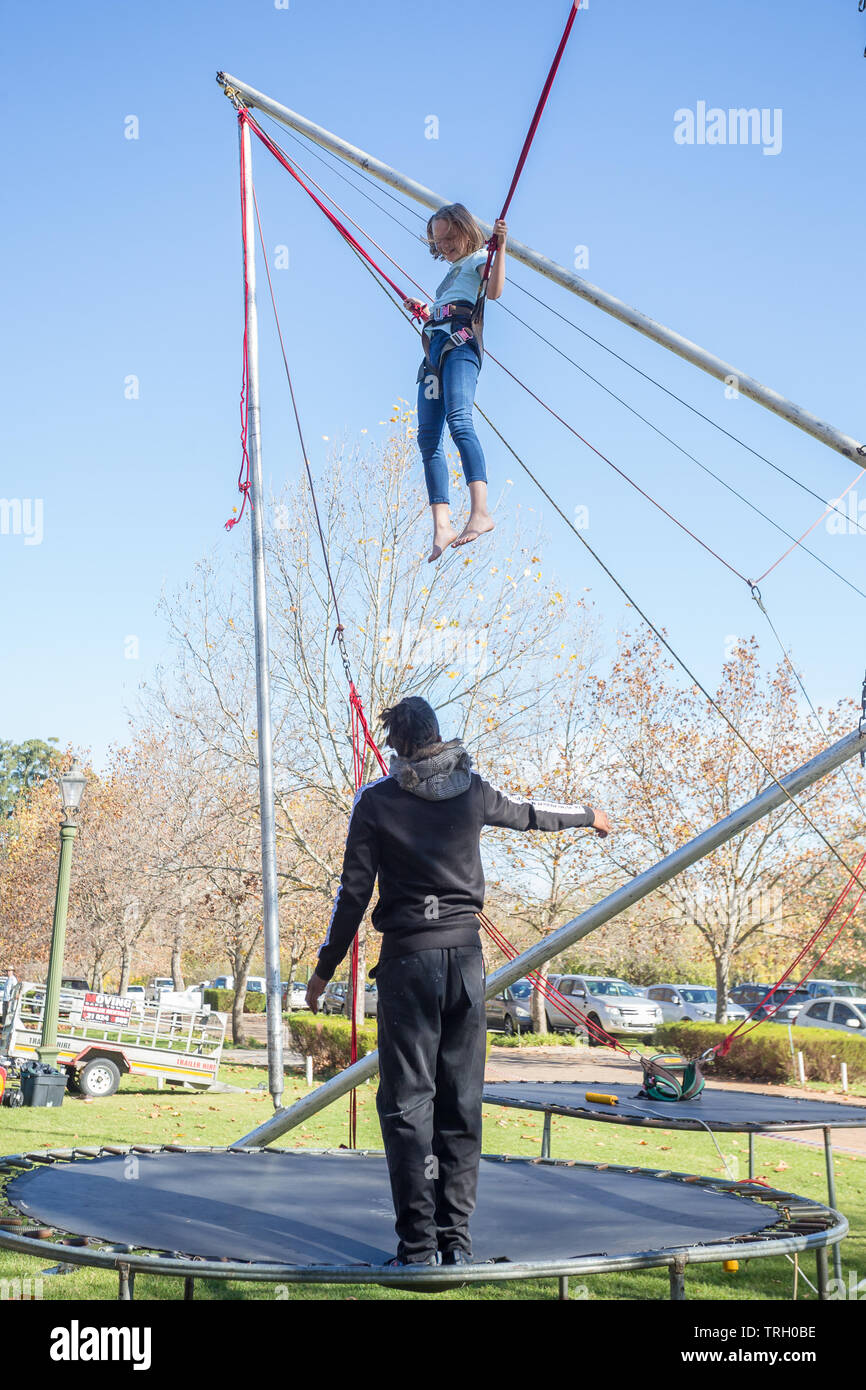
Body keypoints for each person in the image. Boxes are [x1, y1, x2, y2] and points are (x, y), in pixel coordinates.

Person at [306, 696, 610, 1267]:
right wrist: (587, 816)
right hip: (466, 968)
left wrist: (324, 970)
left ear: (396, 745)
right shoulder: (472, 792)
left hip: (408, 969)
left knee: (406, 1106)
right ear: (438, 735)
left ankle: (418, 1248)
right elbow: (529, 813)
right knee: (460, 1101)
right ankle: (456, 1241)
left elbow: (353, 896)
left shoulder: (376, 803)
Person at [403, 204, 508, 564]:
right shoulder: (449, 275)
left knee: (459, 419)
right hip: (434, 348)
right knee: (428, 436)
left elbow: (492, 292)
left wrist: (501, 247)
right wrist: (427, 309)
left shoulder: (480, 257)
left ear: (465, 230)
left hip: (460, 344)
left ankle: (481, 512)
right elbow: (449, 302)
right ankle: (442, 525)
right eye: (439, 240)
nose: (445, 246)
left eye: (449, 237)